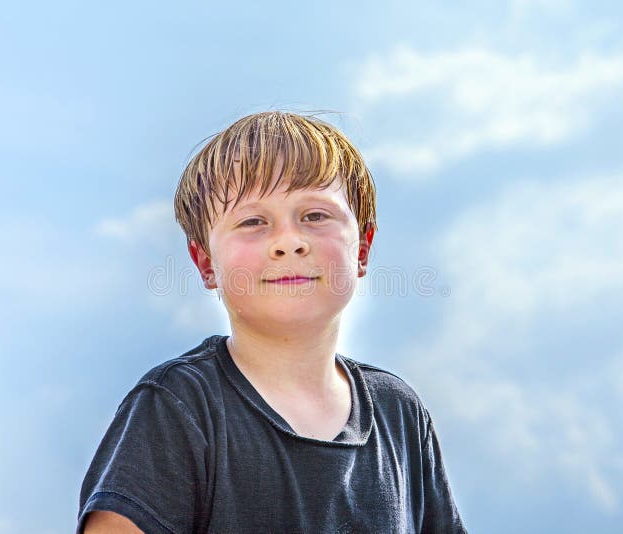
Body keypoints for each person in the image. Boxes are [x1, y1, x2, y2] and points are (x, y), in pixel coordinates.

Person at [77, 111, 467, 533]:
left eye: (315, 216)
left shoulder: (400, 413)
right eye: (253, 222)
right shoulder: (178, 407)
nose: (288, 242)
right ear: (205, 262)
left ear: (363, 249)